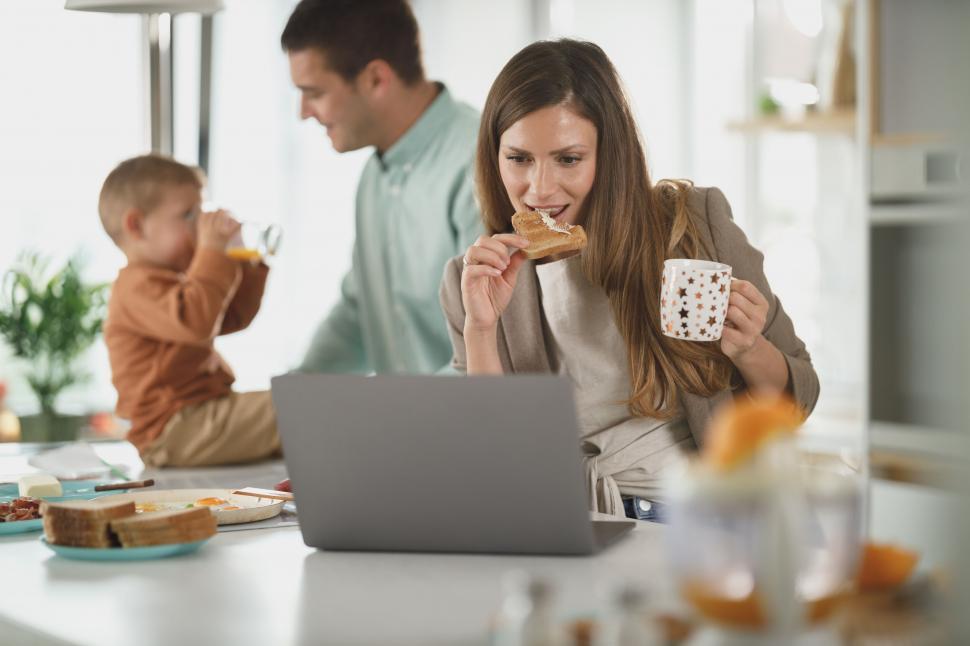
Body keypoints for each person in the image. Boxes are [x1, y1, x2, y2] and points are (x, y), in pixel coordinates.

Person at [439, 40, 820, 519]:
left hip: (700, 513)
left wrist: (750, 350)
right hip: (569, 519)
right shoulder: (471, 280)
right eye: (519, 159)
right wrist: (480, 330)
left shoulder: (692, 227)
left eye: (568, 159)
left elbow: (800, 398)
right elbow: (489, 459)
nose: (540, 188)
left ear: (610, 155)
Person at [282, 0, 482, 375]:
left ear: (376, 79)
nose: (303, 112)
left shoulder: (482, 163)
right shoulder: (374, 177)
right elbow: (359, 312)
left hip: (466, 411)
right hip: (407, 410)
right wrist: (295, 392)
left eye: (315, 93)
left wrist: (401, 410)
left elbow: (498, 342)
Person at [100, 154, 280, 467]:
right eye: (189, 215)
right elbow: (197, 322)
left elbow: (232, 317)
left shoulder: (174, 284)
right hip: (172, 428)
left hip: (196, 416)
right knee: (294, 412)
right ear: (137, 226)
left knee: (296, 411)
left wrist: (245, 259)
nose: (200, 227)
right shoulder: (134, 287)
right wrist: (213, 252)